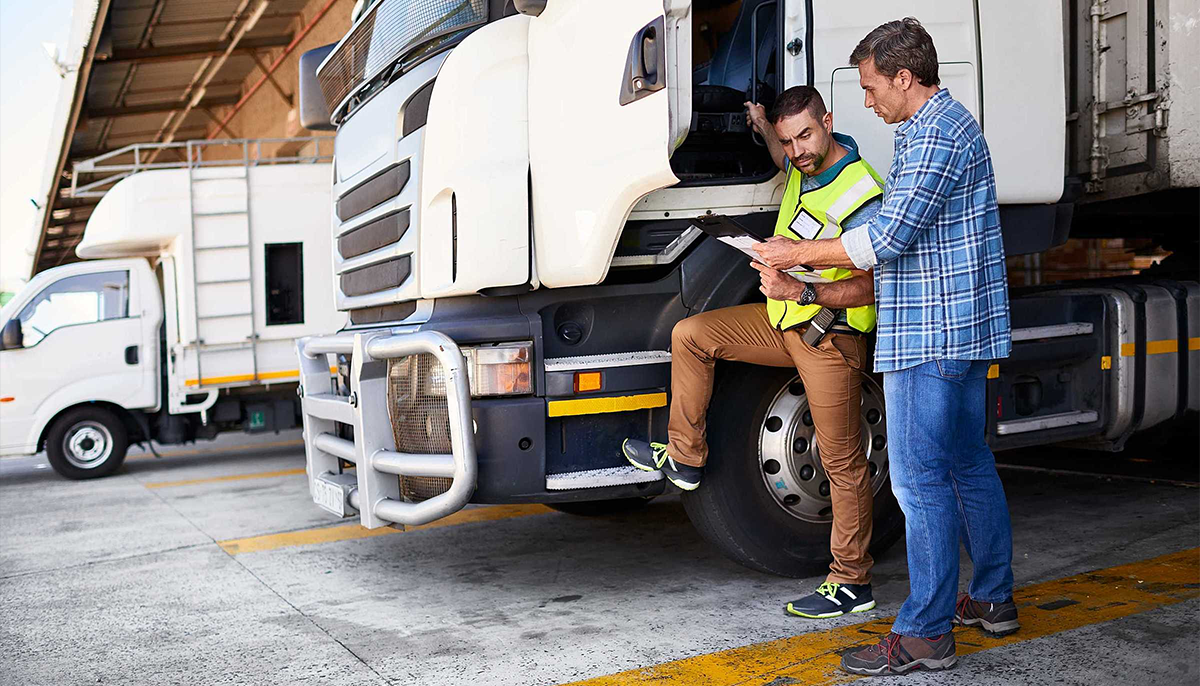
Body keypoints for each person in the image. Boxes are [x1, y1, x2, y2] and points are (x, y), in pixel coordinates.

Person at [751, 18, 1019, 676]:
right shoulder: (944, 129)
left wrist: (795, 253)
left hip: (930, 335)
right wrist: (807, 283)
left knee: (919, 483)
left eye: (873, 88)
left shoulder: (933, 134)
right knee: (966, 463)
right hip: (952, 329)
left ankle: (926, 633)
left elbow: (885, 239)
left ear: (905, 78)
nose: (867, 103)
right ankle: (991, 598)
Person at [622, 85, 888, 619]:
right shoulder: (801, 164)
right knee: (692, 335)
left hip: (829, 338)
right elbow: (780, 153)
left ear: (829, 122)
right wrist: (765, 125)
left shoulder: (861, 193)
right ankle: (686, 459)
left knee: (842, 463)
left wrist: (803, 289)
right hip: (785, 323)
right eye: (789, 142)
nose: (797, 152)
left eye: (806, 137)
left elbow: (873, 287)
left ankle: (851, 581)